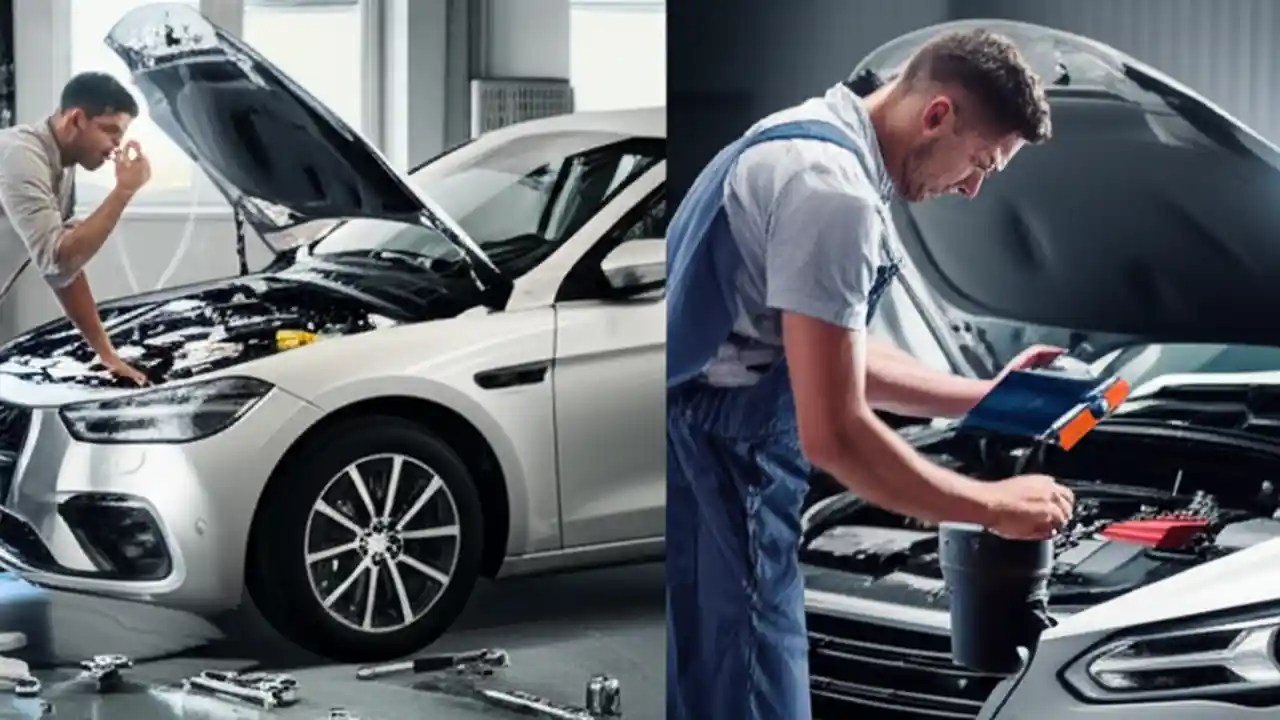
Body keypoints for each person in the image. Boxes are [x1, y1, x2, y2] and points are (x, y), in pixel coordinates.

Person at [665, 28, 1076, 720]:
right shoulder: (834, 197)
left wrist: (980, 395)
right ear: (938, 115)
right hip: (724, 478)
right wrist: (993, 507)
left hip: (707, 462)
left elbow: (827, 351)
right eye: (980, 162)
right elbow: (837, 435)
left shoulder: (805, 138)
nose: (973, 188)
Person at [0, 71, 152, 385]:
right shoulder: (20, 155)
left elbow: (65, 272)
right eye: (110, 131)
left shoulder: (62, 168)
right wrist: (122, 192)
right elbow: (57, 259)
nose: (115, 147)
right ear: (76, 120)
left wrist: (106, 354)